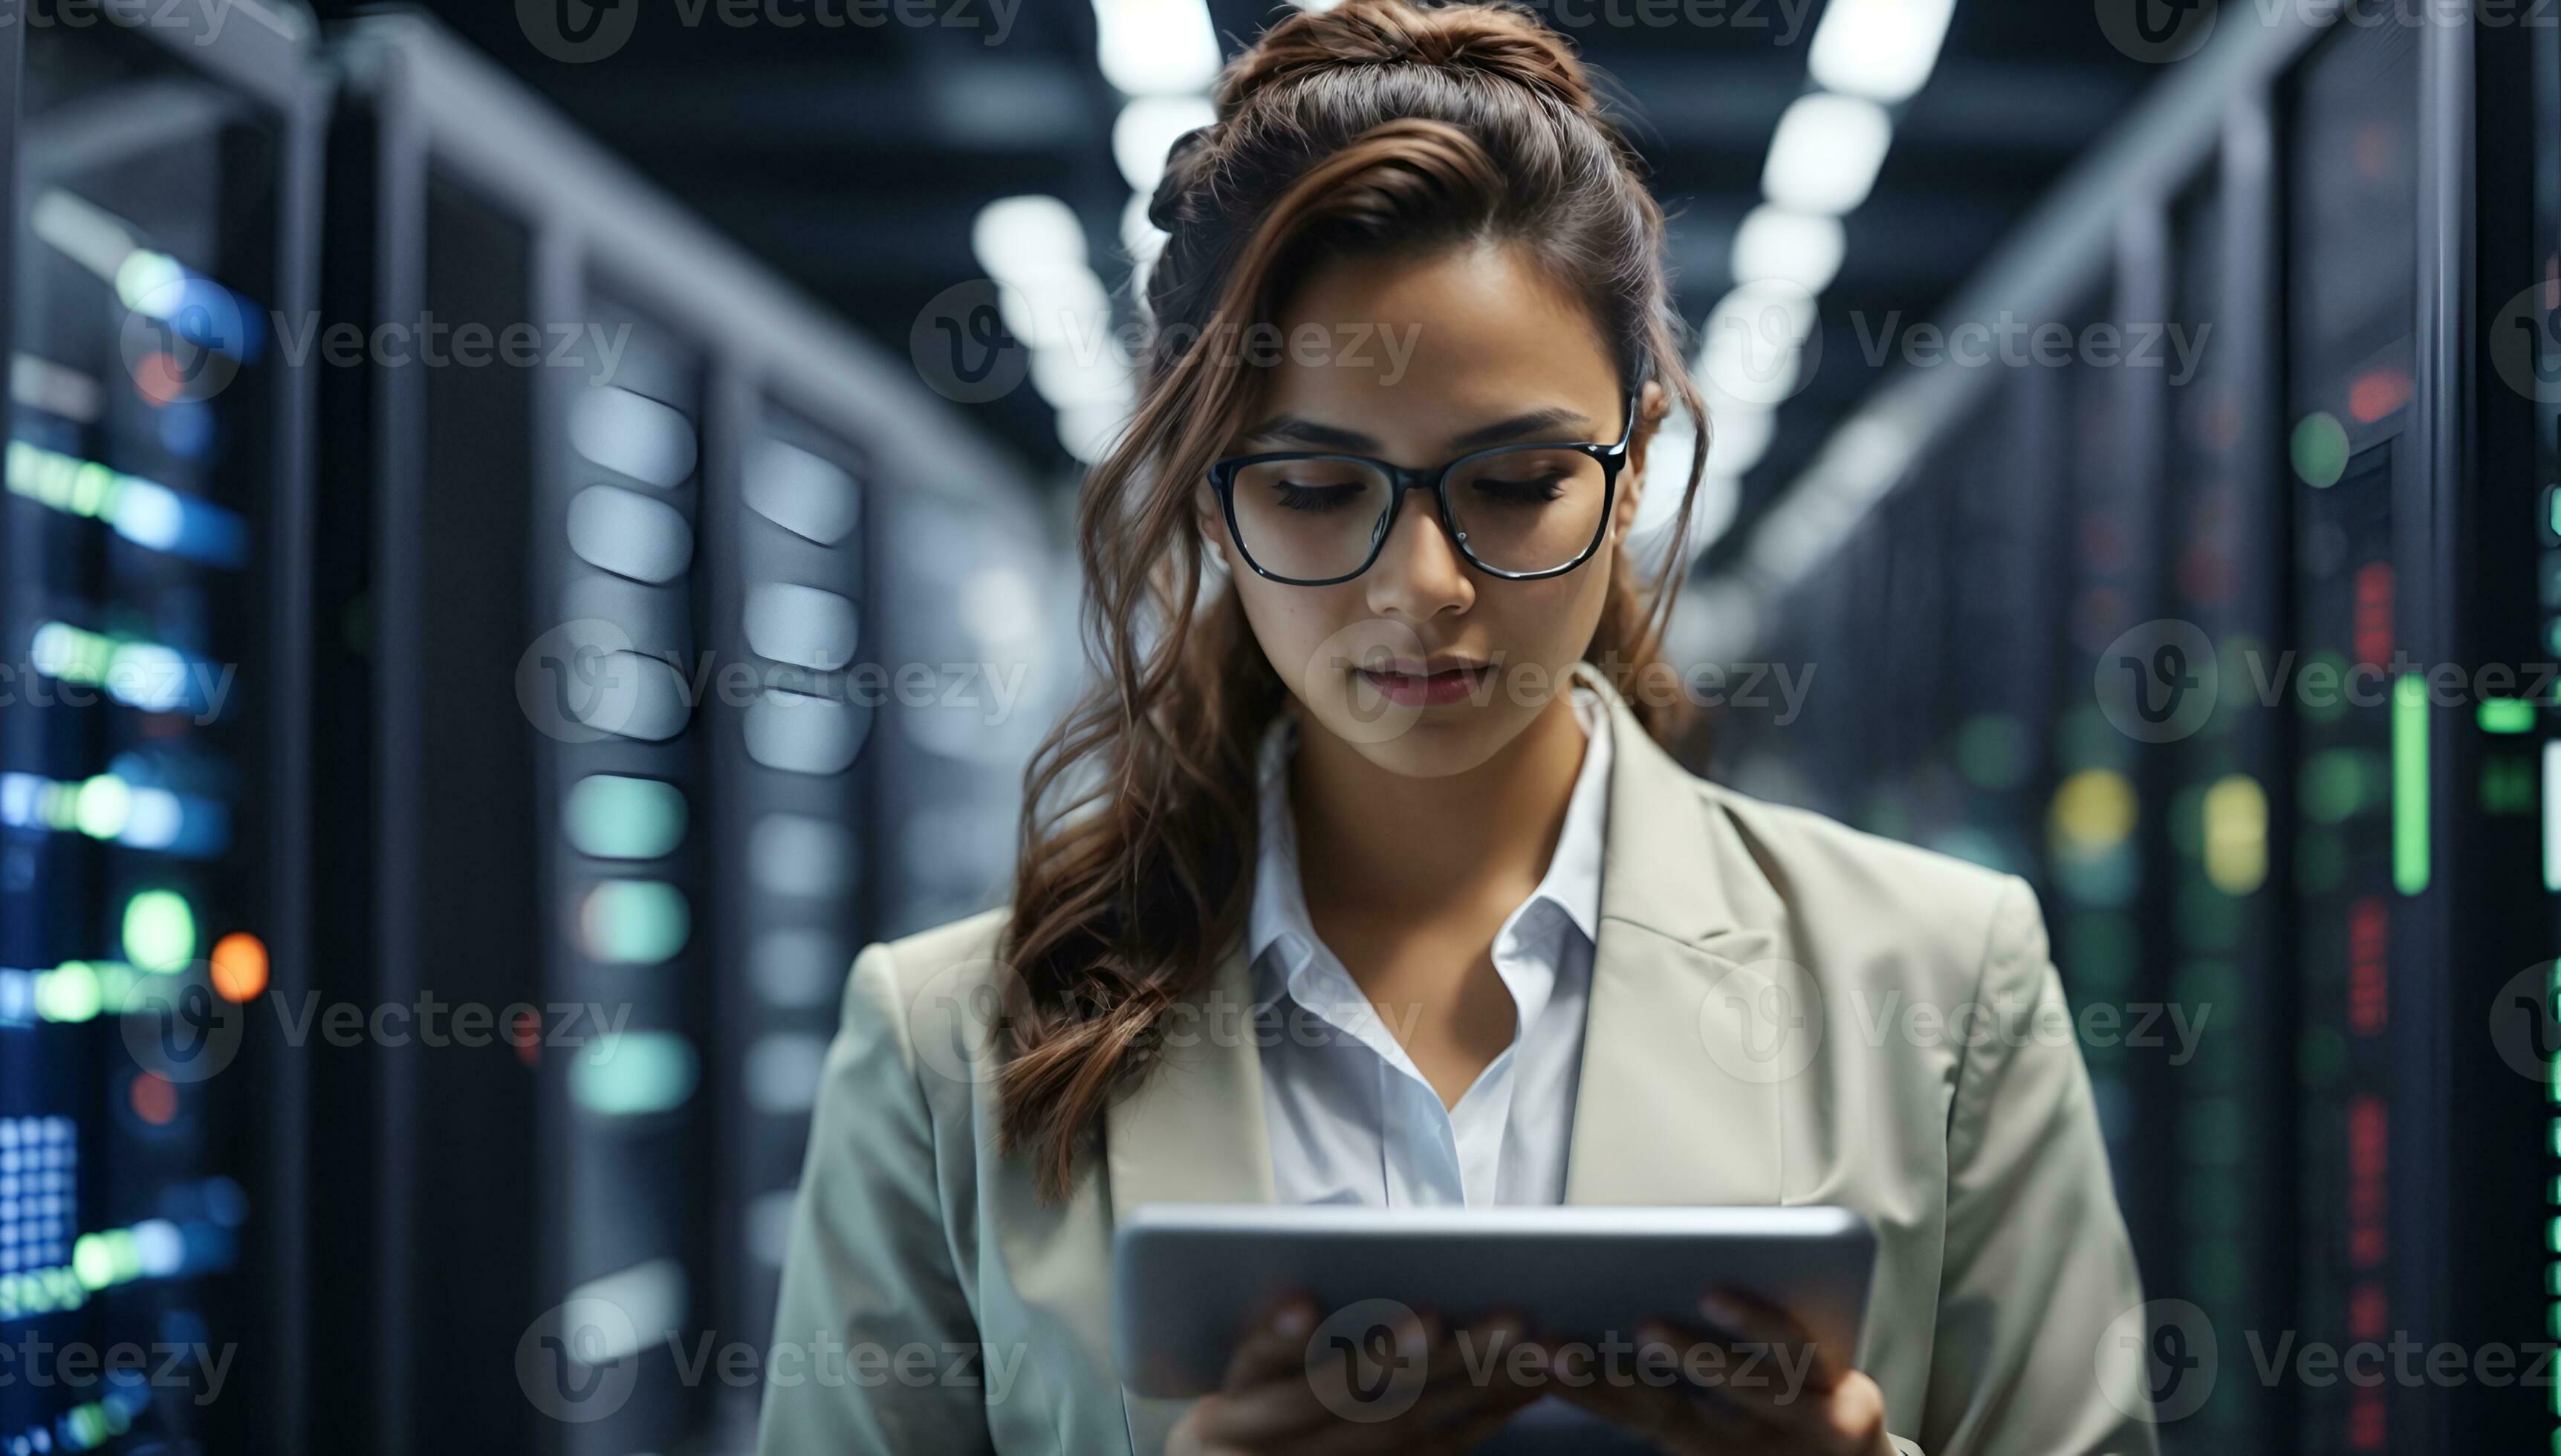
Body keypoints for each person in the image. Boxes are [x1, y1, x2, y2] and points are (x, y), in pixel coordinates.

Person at [760, 1, 2153, 1451]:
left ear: (1630, 472)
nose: (1420, 587)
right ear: (1203, 495)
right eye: (1310, 489)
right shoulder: (943, 1050)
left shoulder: (1942, 983)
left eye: (1514, 481)